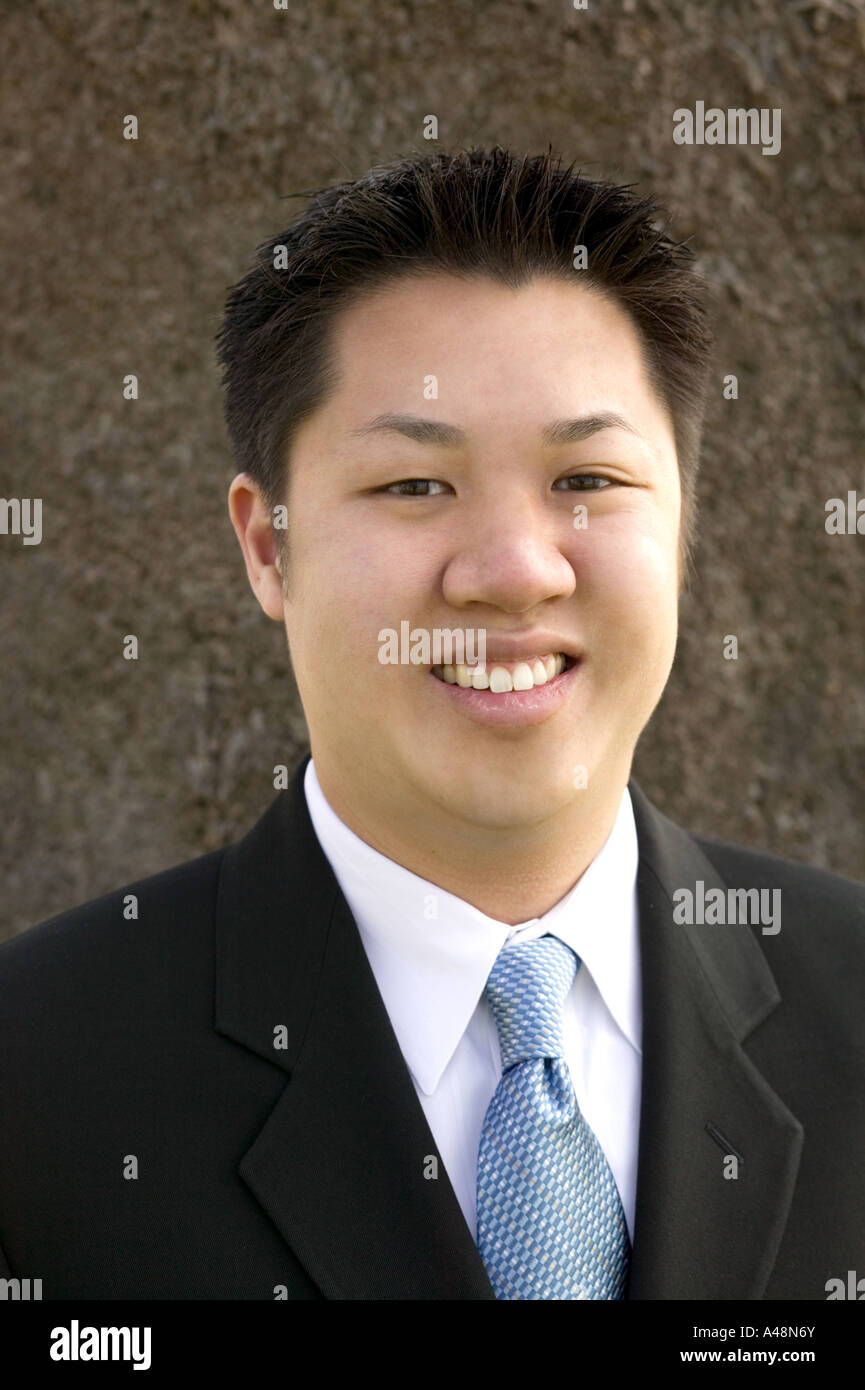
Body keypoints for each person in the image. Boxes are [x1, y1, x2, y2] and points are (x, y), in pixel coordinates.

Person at [1, 147, 862, 1302]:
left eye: (587, 478)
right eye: (414, 486)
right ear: (268, 545)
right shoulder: (37, 1076)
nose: (512, 571)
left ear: (685, 518)